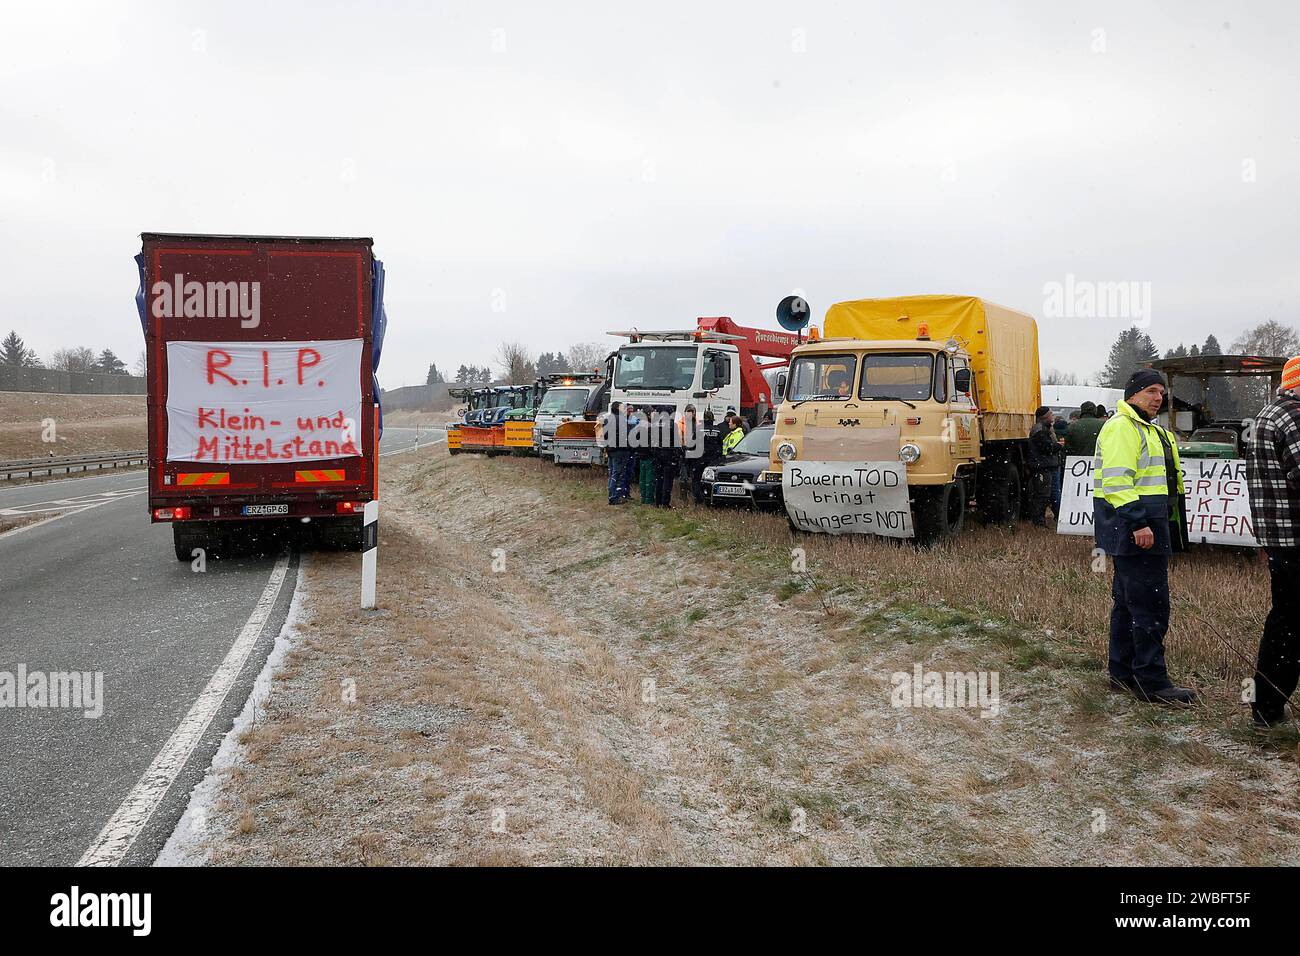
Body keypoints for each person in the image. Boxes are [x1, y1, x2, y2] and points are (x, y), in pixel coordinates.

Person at [1094, 369, 1195, 705]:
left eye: (1161, 392)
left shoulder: (1150, 429)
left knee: (1127, 604)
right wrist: (1139, 523)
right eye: (1151, 391)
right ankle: (1151, 682)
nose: (1158, 397)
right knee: (1151, 605)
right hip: (1137, 529)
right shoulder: (1123, 428)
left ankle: (1123, 674)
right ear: (1133, 394)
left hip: (1144, 527)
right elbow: (1118, 482)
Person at [1245, 355, 1300, 727]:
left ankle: (1267, 705)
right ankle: (1267, 708)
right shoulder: (1294, 415)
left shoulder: (1269, 413)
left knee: (1285, 621)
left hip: (1281, 539)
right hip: (1296, 538)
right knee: (1289, 624)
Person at [1027, 406, 1063, 525]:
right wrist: (1059, 445)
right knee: (1044, 495)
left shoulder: (1043, 428)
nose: (1052, 416)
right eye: (1051, 414)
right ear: (1045, 416)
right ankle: (1040, 521)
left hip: (1047, 465)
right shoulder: (1040, 431)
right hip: (1044, 466)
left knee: (1048, 494)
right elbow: (1046, 448)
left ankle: (1055, 518)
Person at [653, 410, 680, 508]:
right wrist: (676, 455)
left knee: (659, 479)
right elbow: (676, 441)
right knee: (667, 480)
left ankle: (657, 502)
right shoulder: (672, 425)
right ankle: (665, 502)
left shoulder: (656, 425)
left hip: (658, 454)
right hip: (669, 454)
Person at [605, 402, 630, 505]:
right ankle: (615, 497)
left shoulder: (607, 419)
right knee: (618, 474)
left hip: (611, 450)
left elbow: (605, 435)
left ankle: (611, 494)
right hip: (620, 450)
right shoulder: (622, 420)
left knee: (612, 474)